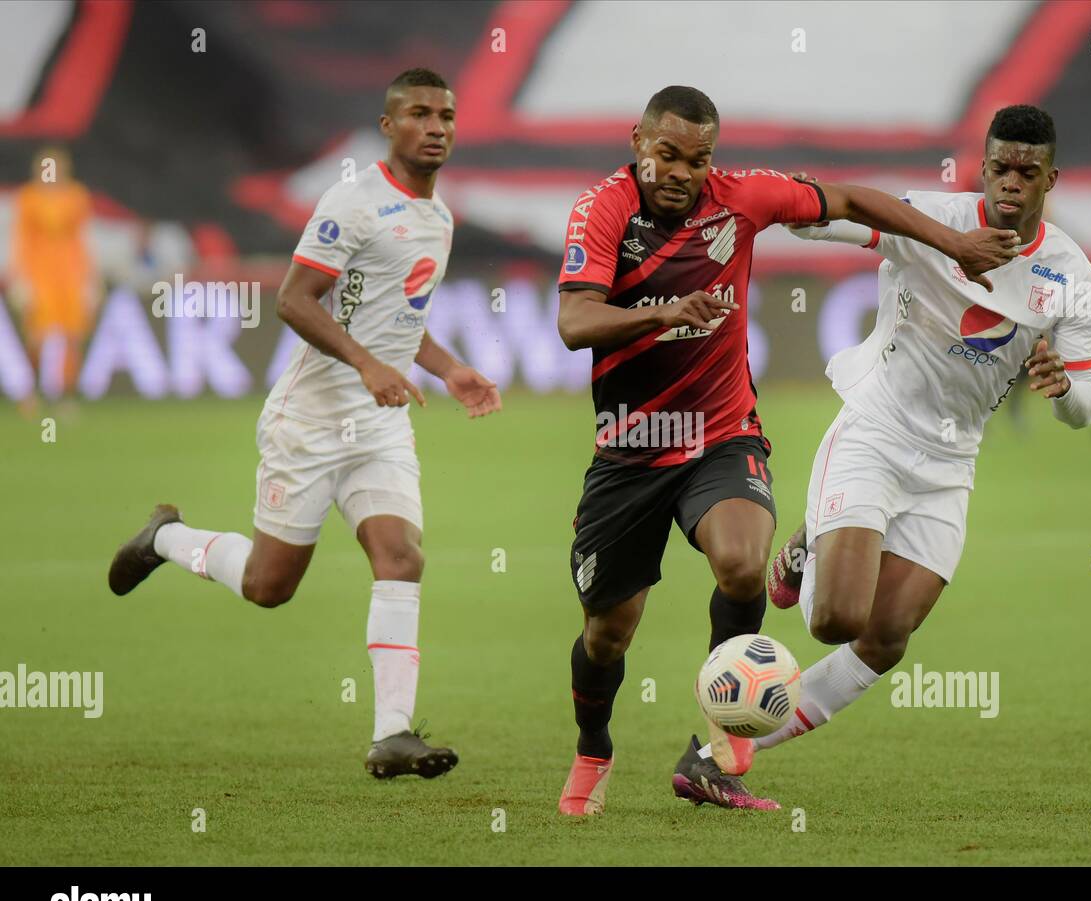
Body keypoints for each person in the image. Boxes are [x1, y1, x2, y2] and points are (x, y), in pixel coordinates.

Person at [554, 85, 1019, 815]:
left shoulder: (740, 198)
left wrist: (953, 242)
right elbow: (574, 322)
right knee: (608, 634)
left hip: (722, 435)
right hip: (631, 447)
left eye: (698, 160)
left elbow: (852, 200)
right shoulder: (602, 209)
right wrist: (667, 312)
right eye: (667, 154)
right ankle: (593, 748)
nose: (681, 172)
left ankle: (722, 733)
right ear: (638, 143)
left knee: (743, 565)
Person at [107, 69, 501, 779]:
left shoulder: (438, 218)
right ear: (388, 126)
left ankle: (392, 735)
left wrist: (450, 369)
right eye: (419, 113)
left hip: (379, 426)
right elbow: (294, 299)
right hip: (311, 423)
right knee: (269, 586)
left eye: (445, 115)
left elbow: (397, 318)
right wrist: (365, 365)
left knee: (402, 557)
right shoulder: (353, 201)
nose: (436, 126)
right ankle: (165, 538)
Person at [760, 106, 1091, 788]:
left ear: (1051, 180)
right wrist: (797, 204)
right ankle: (813, 540)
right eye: (1000, 168)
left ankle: (732, 746)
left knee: (885, 640)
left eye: (1027, 172)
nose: (1010, 182)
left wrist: (1063, 388)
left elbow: (1085, 409)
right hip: (876, 433)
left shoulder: (1072, 276)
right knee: (835, 620)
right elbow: (827, 219)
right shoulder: (931, 220)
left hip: (949, 466)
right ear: (984, 167)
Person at [10, 146, 96, 417]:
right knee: (37, 335)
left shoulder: (76, 196)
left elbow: (81, 239)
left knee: (72, 335)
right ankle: (32, 390)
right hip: (39, 275)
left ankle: (66, 395)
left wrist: (89, 279)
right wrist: (20, 277)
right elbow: (22, 240)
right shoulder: (29, 198)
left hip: (70, 275)